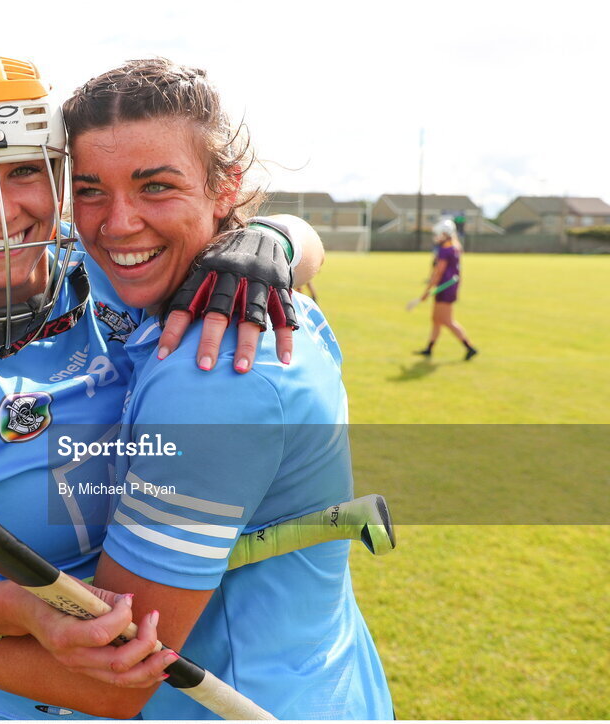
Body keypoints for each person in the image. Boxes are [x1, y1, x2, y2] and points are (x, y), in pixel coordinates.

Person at [0, 52, 323, 720]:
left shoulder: (112, 267)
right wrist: (15, 607)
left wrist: (269, 241)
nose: (2, 211)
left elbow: (269, 231)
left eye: (23, 169)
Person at [30, 57, 393, 719]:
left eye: (156, 187)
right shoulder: (187, 274)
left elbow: (121, 664)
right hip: (325, 678)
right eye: (89, 190)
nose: (117, 223)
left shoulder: (217, 373)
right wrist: (281, 235)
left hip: (242, 702)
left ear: (225, 189)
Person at [414, 218, 478, 360]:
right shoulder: (454, 247)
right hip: (448, 287)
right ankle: (429, 349)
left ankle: (469, 347)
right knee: (436, 319)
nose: (436, 236)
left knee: (446, 321)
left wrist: (426, 292)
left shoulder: (446, 250)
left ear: (445, 234)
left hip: (445, 288)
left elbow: (438, 273)